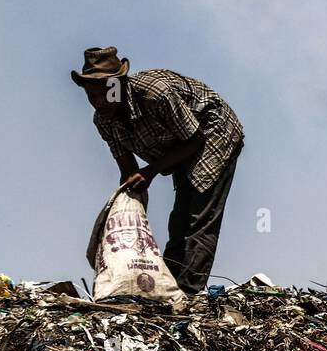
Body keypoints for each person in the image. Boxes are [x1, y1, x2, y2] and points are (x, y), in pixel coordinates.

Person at [71, 46, 243, 295]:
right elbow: (128, 171)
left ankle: (188, 291)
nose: (97, 102)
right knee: (179, 220)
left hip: (211, 132)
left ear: (117, 85)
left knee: (199, 218)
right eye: (91, 96)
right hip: (178, 147)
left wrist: (150, 172)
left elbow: (195, 140)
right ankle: (169, 288)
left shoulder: (155, 95)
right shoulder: (104, 120)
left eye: (102, 94)